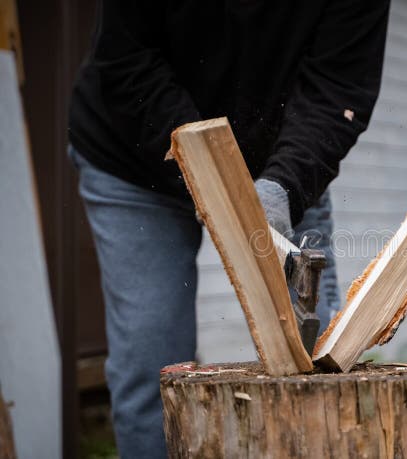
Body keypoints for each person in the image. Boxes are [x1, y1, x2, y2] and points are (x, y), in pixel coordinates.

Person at [67, 2, 389, 457]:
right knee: (152, 362)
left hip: (282, 162)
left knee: (317, 356)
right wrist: (212, 175)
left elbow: (339, 86)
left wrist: (284, 187)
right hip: (134, 160)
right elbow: (127, 57)